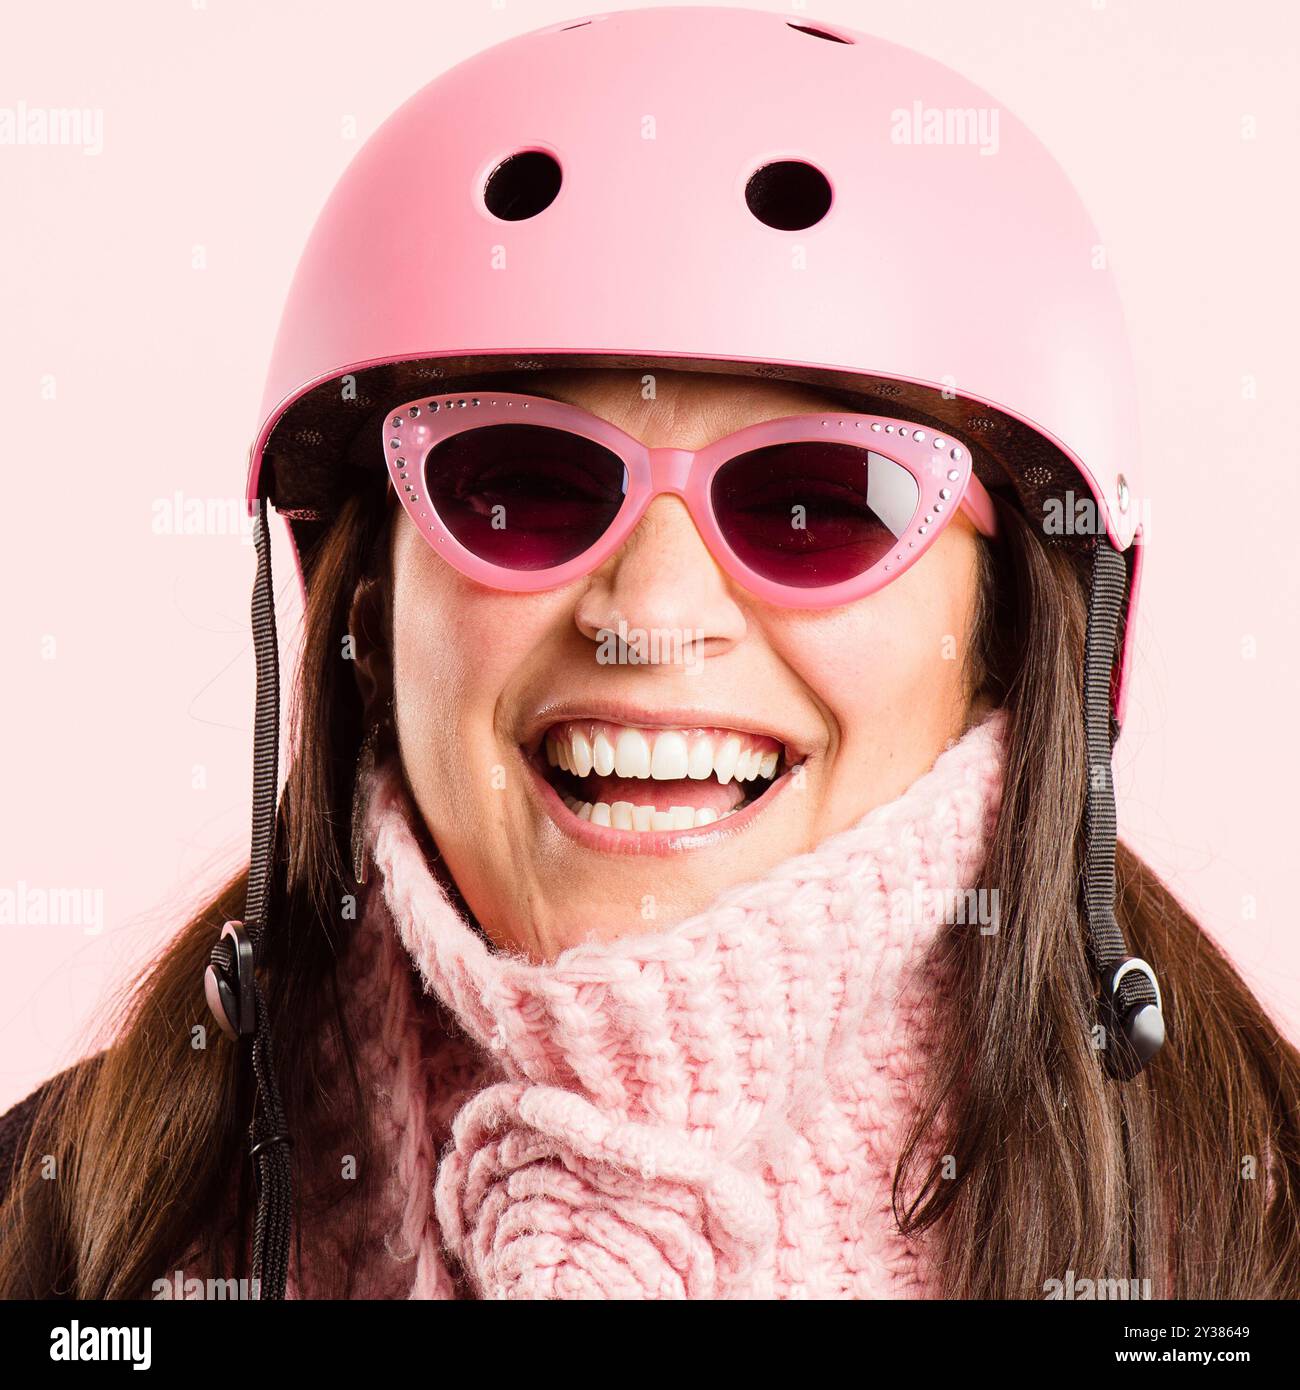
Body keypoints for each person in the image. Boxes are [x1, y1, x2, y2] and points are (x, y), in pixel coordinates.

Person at [2, 7, 1297, 1301]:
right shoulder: (53, 1224)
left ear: (1019, 630)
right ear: (365, 603)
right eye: (520, 484)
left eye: (821, 502)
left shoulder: (1264, 1229)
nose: (649, 609)